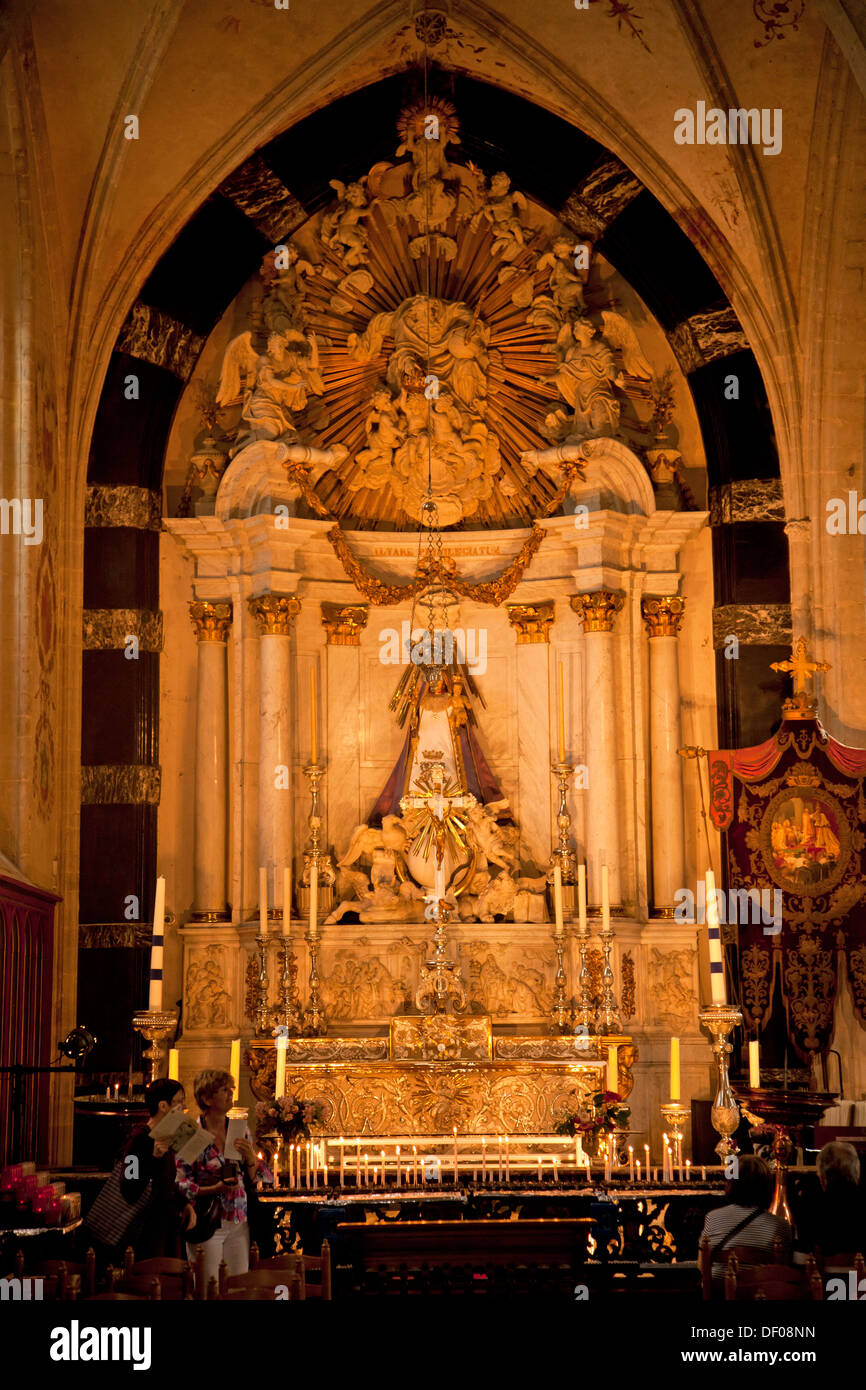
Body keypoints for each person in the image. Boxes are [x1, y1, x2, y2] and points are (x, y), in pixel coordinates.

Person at [175, 1069, 269, 1288]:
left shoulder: (238, 1128)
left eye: (231, 1089)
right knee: (210, 1286)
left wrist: (250, 1159)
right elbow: (180, 1181)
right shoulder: (191, 1132)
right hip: (207, 1219)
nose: (231, 1094)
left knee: (238, 1286)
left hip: (237, 1217)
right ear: (207, 1098)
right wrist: (213, 1189)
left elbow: (255, 1179)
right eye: (224, 1090)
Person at [699, 1155, 791, 1291]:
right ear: (766, 1186)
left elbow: (701, 1265)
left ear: (731, 1183)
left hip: (719, 1293)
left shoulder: (713, 1217)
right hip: (761, 1294)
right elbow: (783, 1271)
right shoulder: (780, 1225)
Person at [794, 1142, 866, 1262]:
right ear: (857, 1174)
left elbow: (800, 1259)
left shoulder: (808, 1208)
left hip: (822, 1279)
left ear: (822, 1178)